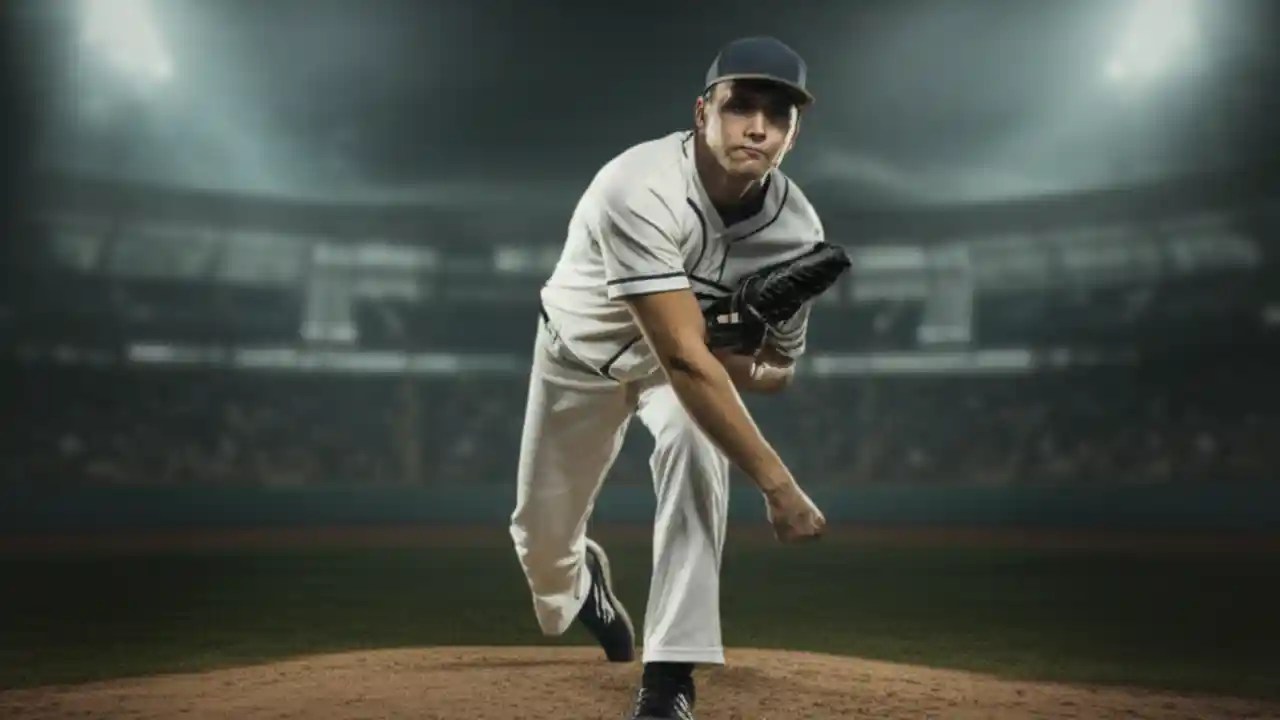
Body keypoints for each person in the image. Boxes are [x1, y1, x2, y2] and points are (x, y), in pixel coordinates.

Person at [509, 36, 827, 720]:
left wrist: (745, 349)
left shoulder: (798, 233)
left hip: (674, 369)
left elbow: (774, 374)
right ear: (702, 112)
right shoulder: (638, 184)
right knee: (540, 548)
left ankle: (669, 676)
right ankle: (582, 586)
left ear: (794, 134)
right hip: (576, 357)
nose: (758, 126)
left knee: (698, 442)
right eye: (741, 105)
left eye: (780, 115)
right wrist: (780, 486)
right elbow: (686, 356)